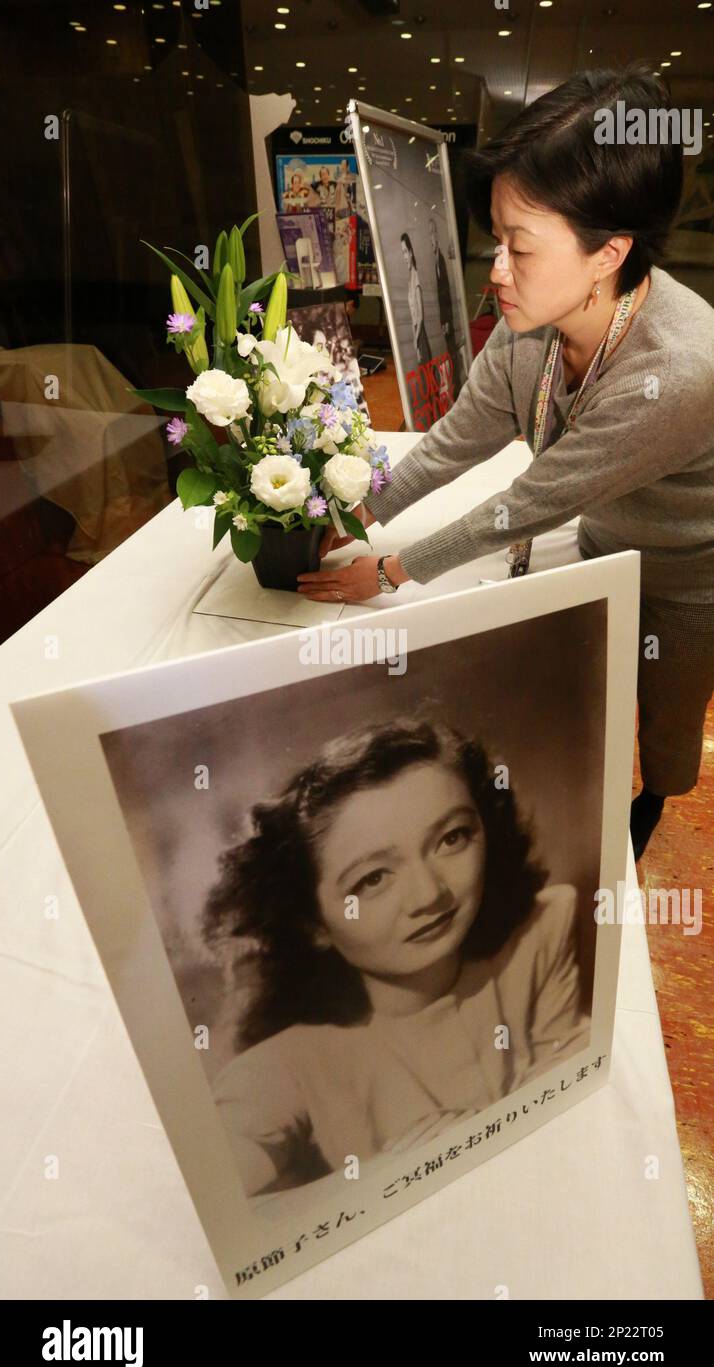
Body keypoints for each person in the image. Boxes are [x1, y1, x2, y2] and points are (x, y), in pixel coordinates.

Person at [297, 63, 714, 862]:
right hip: (603, 540)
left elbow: (527, 505)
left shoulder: (679, 371)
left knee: (666, 716)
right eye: (497, 238)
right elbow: (456, 440)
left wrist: (388, 573)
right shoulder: (530, 321)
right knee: (581, 694)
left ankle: (650, 808)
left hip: (690, 568)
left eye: (520, 247)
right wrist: (354, 515)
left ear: (607, 254)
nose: (496, 268)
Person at [203, 716, 589, 1197]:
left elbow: (572, 1105)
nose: (429, 894)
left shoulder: (539, 937)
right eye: (373, 879)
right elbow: (213, 1208)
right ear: (312, 923)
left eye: (451, 838)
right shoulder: (283, 1069)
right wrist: (391, 1176)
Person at [429, 216, 462, 399]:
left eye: (433, 233)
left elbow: (446, 292)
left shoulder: (440, 259)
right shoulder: (435, 260)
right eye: (429, 234)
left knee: (451, 354)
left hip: (447, 321)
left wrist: (447, 320)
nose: (431, 238)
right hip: (443, 321)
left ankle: (456, 389)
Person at [401, 231, 432, 365]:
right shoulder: (410, 279)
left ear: (411, 252)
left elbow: (420, 317)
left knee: (426, 369)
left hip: (420, 332)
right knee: (424, 370)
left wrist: (416, 339)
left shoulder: (416, 278)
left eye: (406, 252)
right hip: (417, 332)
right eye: (402, 253)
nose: (404, 257)